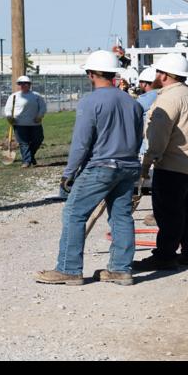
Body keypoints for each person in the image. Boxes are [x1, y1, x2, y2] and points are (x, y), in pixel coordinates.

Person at [36, 49, 144, 287]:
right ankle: (120, 269)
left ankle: (68, 269)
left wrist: (69, 173)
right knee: (121, 217)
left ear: (91, 74)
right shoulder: (131, 102)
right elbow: (138, 138)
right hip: (128, 165)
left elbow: (81, 142)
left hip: (101, 166)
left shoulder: (91, 101)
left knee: (74, 213)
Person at [135, 54, 188, 272]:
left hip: (173, 165)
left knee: (169, 214)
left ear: (164, 75)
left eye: (158, 72)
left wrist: (148, 160)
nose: (156, 75)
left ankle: (165, 256)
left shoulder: (168, 98)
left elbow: (158, 135)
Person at [2, 75, 48, 167]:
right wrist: (9, 117)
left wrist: (39, 116)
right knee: (23, 143)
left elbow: (43, 107)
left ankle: (30, 157)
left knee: (38, 140)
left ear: (30, 85)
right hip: (19, 124)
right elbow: (8, 108)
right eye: (20, 83)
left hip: (35, 123)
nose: (23, 85)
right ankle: (26, 161)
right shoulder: (13, 96)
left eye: (25, 83)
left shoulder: (36, 96)